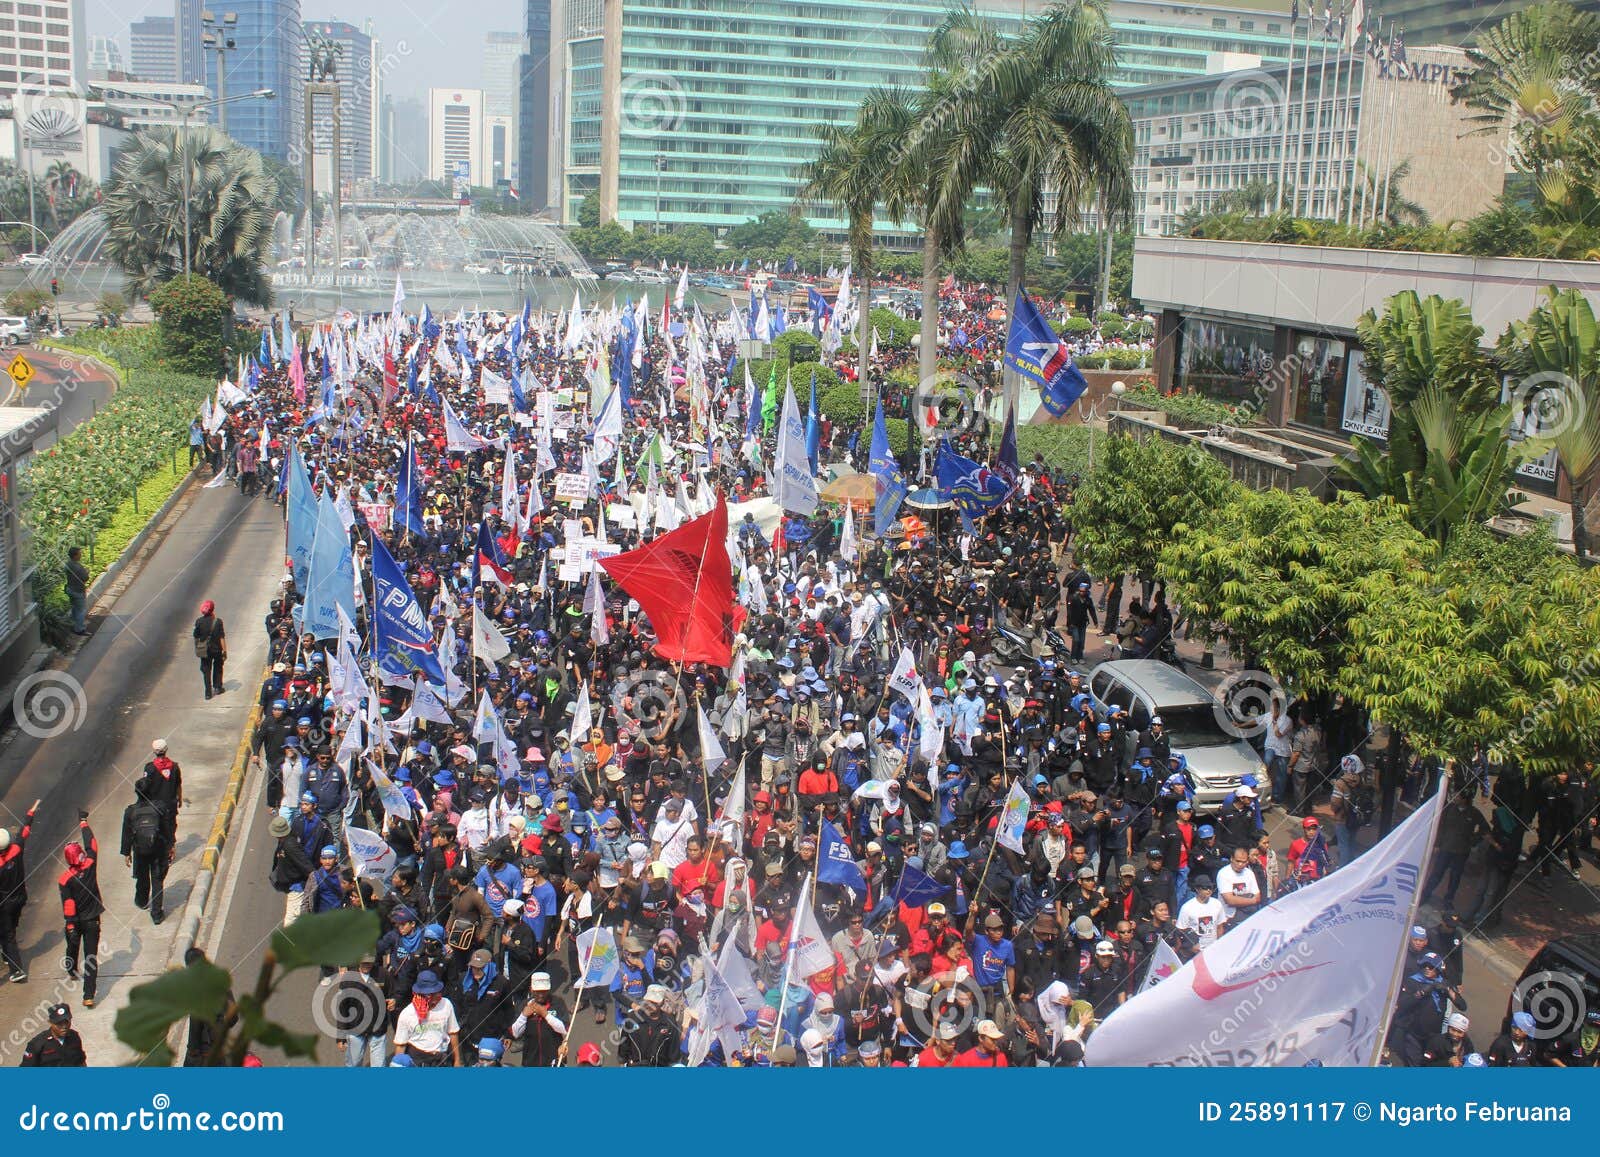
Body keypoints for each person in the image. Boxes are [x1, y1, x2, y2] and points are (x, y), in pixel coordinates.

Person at [58, 812, 103, 1007]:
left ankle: (71, 967)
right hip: (92, 919)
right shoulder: (91, 864)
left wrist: (70, 925)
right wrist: (84, 823)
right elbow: (92, 843)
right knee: (91, 956)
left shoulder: (65, 879)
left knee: (72, 945)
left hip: (75, 921)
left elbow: (69, 905)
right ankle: (88, 995)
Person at [121, 780, 173, 925]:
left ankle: (142, 900)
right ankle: (156, 914)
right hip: (158, 849)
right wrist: (170, 845)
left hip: (140, 850)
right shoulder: (160, 808)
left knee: (142, 877)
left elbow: (127, 833)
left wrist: (126, 852)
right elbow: (167, 829)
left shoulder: (130, 811)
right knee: (157, 880)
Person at [0, 800, 38, 982]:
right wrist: (30, 813)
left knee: (8, 935)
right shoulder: (16, 850)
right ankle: (7, 955)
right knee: (11, 927)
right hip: (20, 897)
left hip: (4, 903)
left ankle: (16, 969)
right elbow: (24, 832)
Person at [392, 970, 461, 1067]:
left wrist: (457, 1060)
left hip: (442, 1058)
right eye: (431, 994)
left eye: (437, 992)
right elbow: (401, 1045)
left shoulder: (446, 1004)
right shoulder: (407, 1014)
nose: (437, 996)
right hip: (418, 1059)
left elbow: (453, 1033)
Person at [20, 1003, 86, 1066]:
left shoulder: (74, 1036)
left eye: (66, 1022)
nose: (64, 1026)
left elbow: (81, 1061)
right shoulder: (37, 1044)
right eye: (59, 1023)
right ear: (50, 1022)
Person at [193, 598, 227, 699]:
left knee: (206, 670)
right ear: (212, 610)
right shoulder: (218, 621)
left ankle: (208, 693)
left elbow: (196, 635)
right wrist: (224, 651)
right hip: (216, 650)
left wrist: (198, 647)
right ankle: (218, 687)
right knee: (218, 668)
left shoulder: (199, 622)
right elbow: (222, 637)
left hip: (205, 650)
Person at [64, 546, 90, 635]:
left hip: (70, 589)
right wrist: (86, 572)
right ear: (75, 556)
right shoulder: (78, 567)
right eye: (79, 554)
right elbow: (85, 578)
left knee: (75, 608)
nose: (81, 555)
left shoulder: (68, 564)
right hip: (78, 591)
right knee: (81, 610)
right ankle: (79, 629)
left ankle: (74, 624)